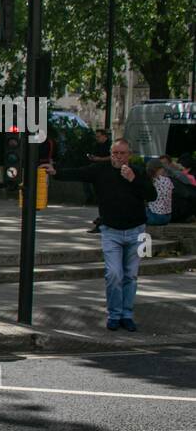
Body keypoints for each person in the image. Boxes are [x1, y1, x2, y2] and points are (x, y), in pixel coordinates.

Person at [45, 140, 156, 332]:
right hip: (111, 231)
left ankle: (126, 315)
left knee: (131, 275)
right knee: (114, 274)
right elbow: (79, 173)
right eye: (115, 153)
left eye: (122, 153)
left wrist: (133, 179)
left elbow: (152, 195)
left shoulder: (137, 171)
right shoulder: (101, 170)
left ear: (129, 154)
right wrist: (56, 172)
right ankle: (114, 315)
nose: (118, 157)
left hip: (137, 231)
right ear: (110, 153)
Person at [86, 129, 112, 230]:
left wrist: (100, 159)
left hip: (106, 173)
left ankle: (102, 222)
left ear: (104, 136)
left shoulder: (110, 145)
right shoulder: (96, 145)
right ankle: (101, 220)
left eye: (98, 136)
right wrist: (92, 157)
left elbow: (112, 157)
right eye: (96, 137)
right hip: (97, 172)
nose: (97, 138)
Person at [145, 160, 172, 226]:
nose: (163, 170)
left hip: (155, 217)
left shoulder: (149, 181)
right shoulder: (168, 180)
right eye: (162, 168)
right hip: (167, 218)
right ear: (159, 169)